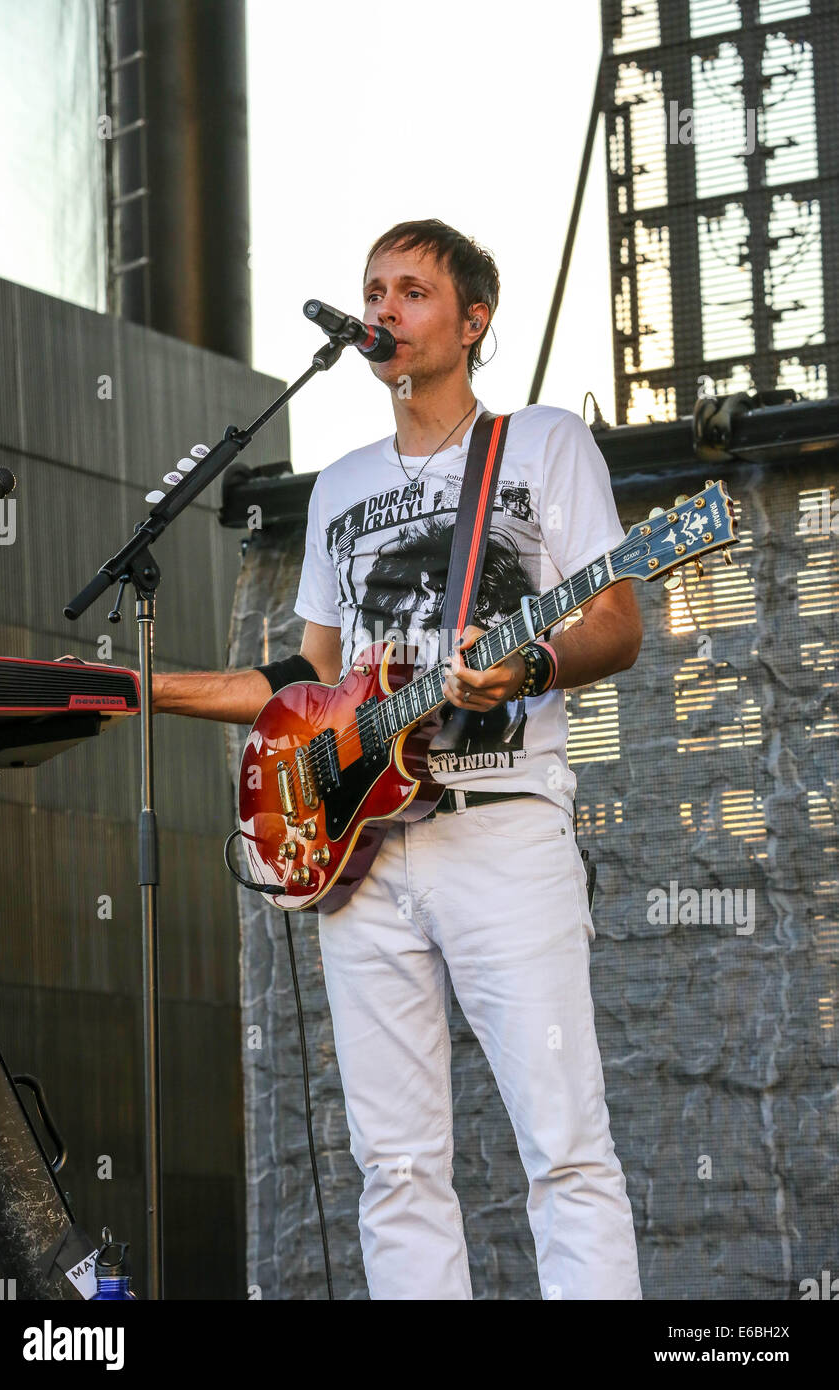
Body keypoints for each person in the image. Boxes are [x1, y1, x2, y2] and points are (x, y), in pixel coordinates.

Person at [153, 219, 644, 1301]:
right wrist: (141, 688)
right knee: (395, 1164)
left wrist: (525, 670)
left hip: (503, 826)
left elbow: (616, 621)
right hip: (362, 853)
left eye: (412, 291)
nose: (383, 308)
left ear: (471, 323)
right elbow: (307, 685)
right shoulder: (338, 486)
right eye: (372, 289)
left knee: (562, 1144)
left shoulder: (543, 444)